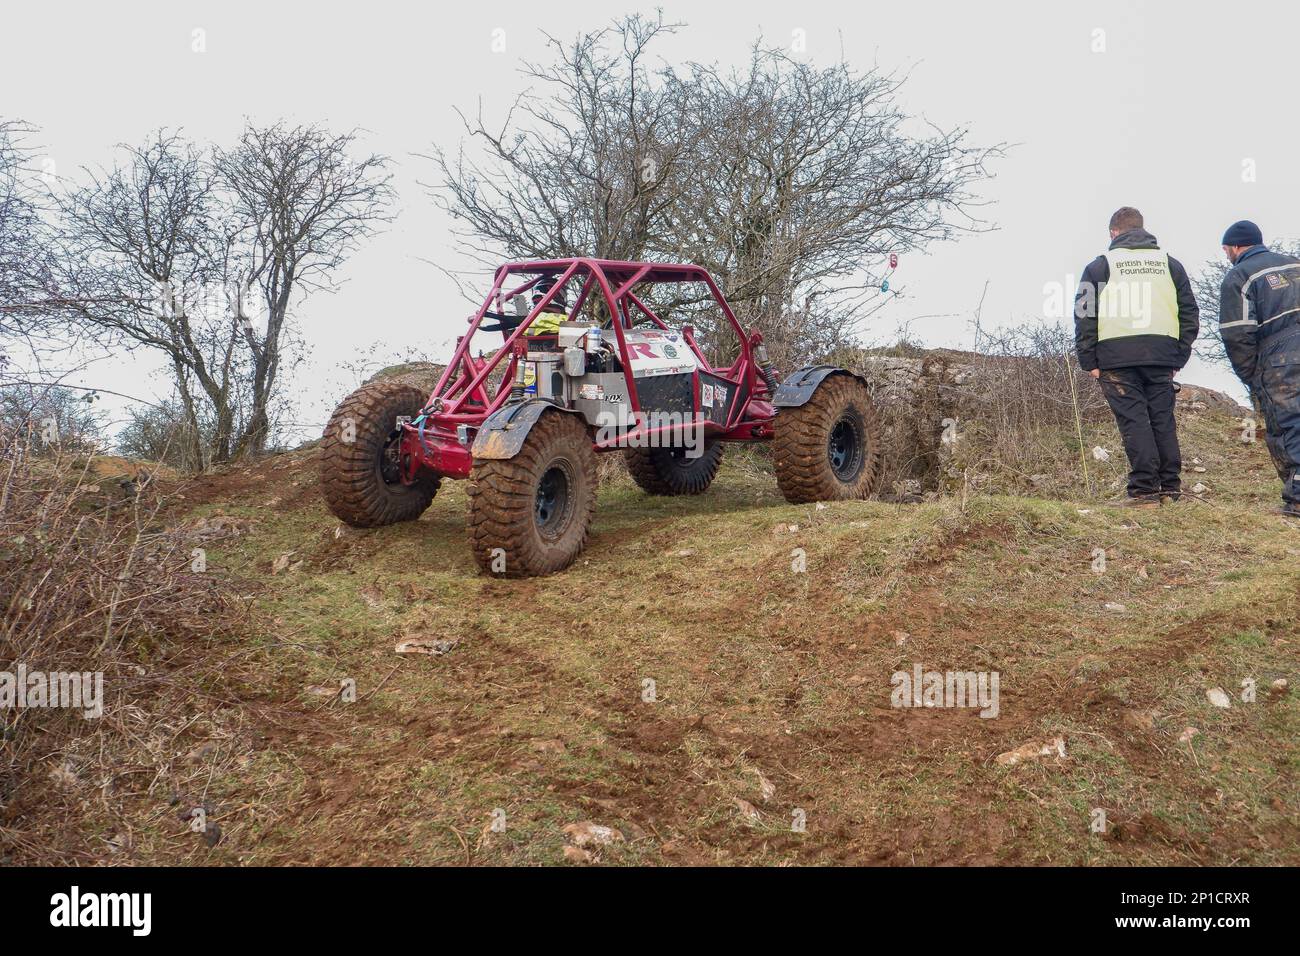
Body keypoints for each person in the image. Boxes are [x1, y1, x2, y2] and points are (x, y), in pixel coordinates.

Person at [1074, 207, 1200, 507]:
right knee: (1162, 420)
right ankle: (1170, 489)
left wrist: (1088, 360)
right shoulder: (1170, 265)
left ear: (1113, 233)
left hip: (1116, 357)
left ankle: (1144, 490)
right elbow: (1190, 313)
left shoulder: (1101, 266)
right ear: (1142, 229)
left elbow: (1084, 314)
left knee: (1135, 420)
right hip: (1161, 355)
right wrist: (1179, 355)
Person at [1217, 220, 1300, 517]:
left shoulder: (1239, 276)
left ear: (1237, 246)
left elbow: (1237, 334)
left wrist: (1251, 374)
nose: (1226, 254)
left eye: (1226, 249)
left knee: (1288, 424)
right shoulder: (1294, 264)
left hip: (1280, 359)